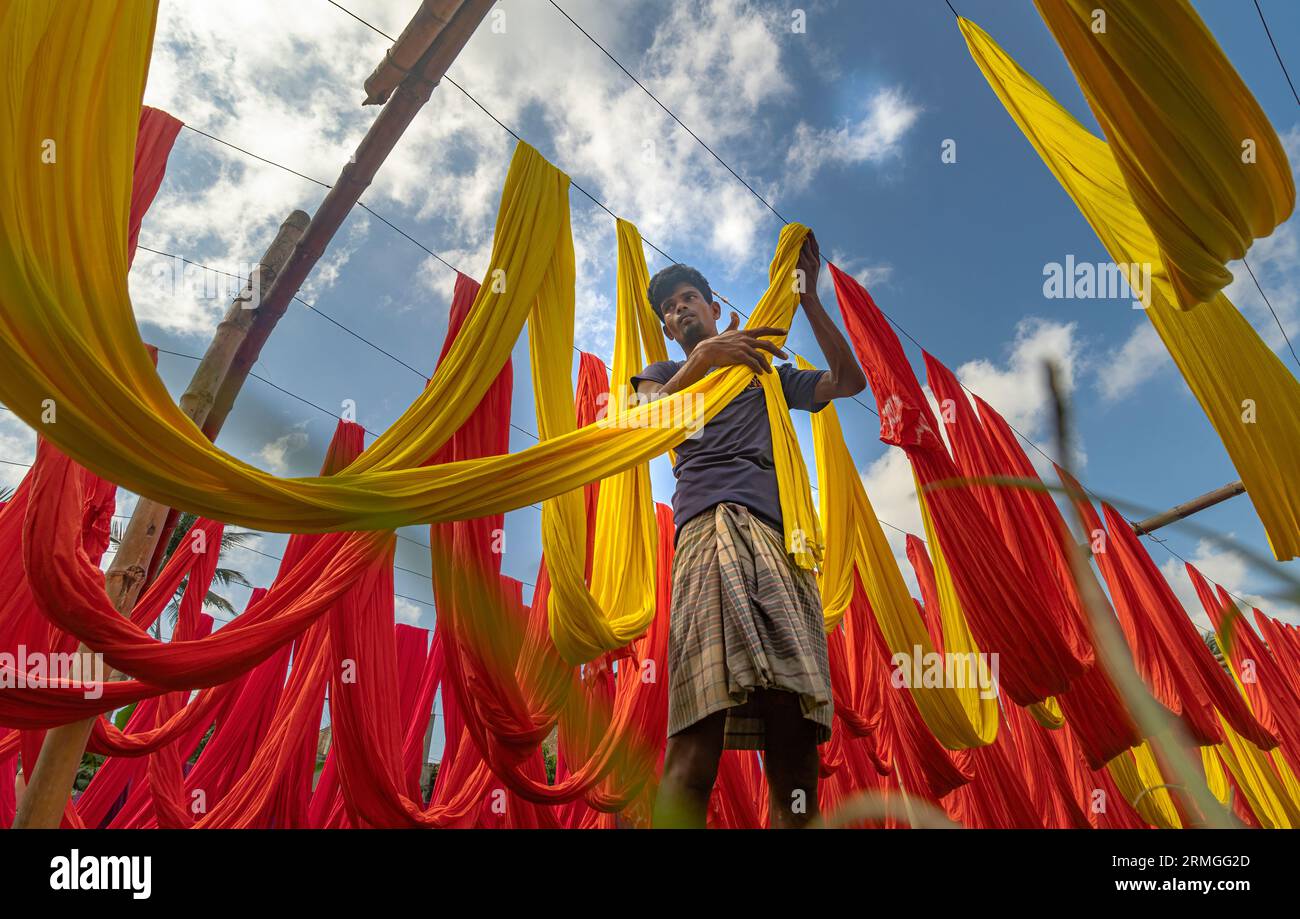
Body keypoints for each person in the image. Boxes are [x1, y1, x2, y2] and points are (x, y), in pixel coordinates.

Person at [634, 231, 866, 828]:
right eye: (669, 308)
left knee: (795, 743)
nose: (679, 309)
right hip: (708, 532)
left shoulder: (763, 372)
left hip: (783, 546)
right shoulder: (662, 372)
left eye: (688, 298)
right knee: (697, 733)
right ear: (668, 328)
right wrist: (704, 361)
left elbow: (848, 381)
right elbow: (640, 423)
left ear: (716, 307)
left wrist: (809, 299)